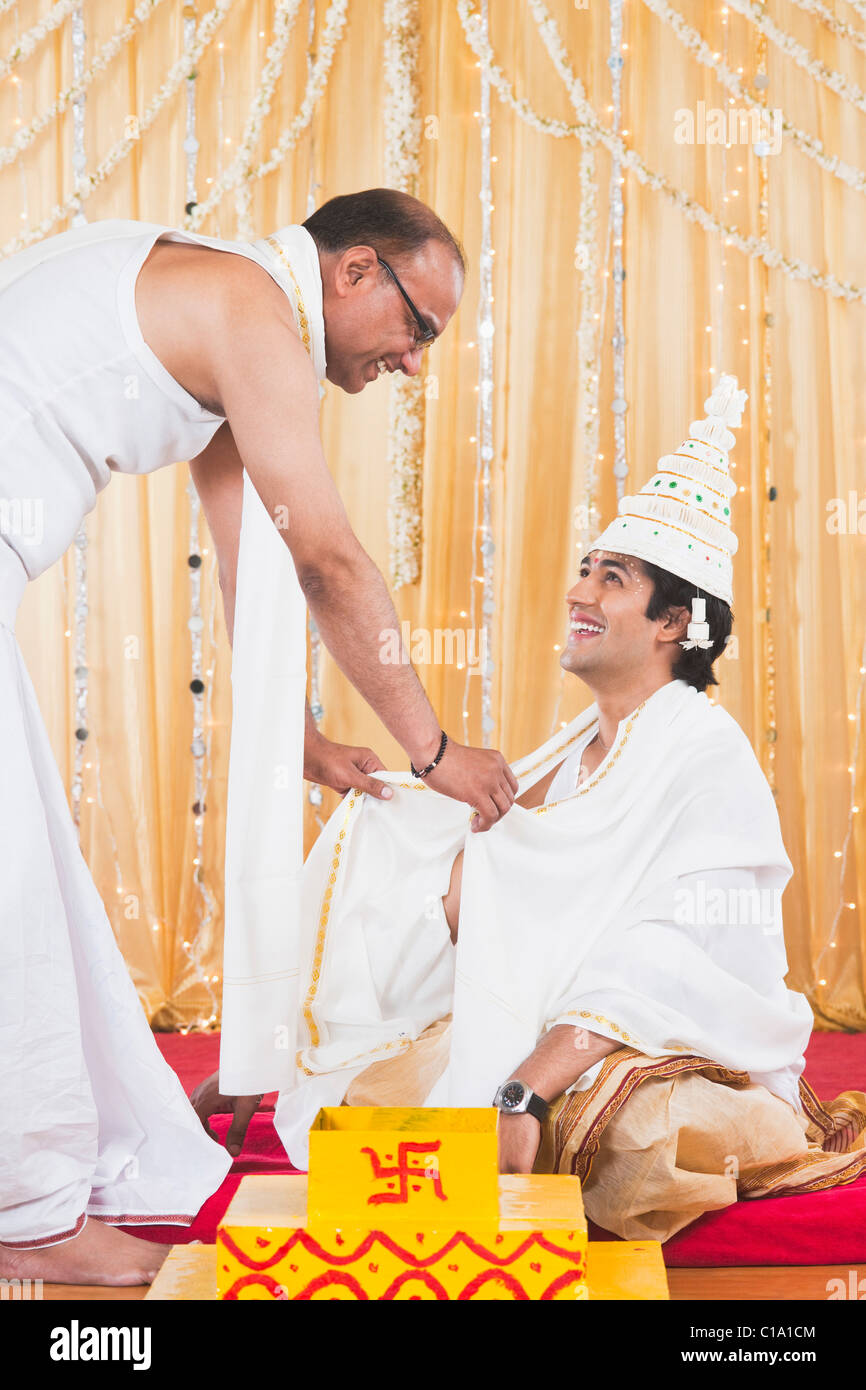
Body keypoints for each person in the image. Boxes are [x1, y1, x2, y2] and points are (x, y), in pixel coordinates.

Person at [194, 374, 866, 1240]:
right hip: (535, 1024)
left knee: (627, 1132)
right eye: (586, 570)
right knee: (371, 1064)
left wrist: (528, 1085)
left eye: (611, 579)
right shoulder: (575, 746)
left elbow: (674, 950)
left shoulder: (703, 753)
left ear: (672, 624)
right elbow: (468, 869)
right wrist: (274, 1035)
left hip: (626, 1044)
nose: (580, 593)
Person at [0, 188, 517, 1286]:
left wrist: (307, 739)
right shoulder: (251, 313)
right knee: (15, 891)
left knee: (26, 868)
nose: (415, 362)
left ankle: (45, 1187)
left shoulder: (232, 313)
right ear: (355, 272)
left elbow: (260, 566)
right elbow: (328, 558)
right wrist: (434, 752)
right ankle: (33, 1211)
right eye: (418, 325)